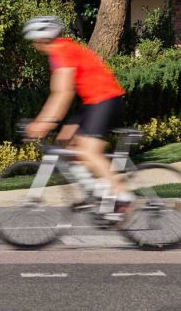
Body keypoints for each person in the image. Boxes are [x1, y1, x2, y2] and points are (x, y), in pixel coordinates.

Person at [23, 15, 132, 211]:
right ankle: (93, 190)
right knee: (64, 141)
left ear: (40, 39)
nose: (33, 45)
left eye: (33, 41)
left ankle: (122, 195)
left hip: (106, 100)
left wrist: (44, 123)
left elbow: (63, 93)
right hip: (93, 102)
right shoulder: (61, 49)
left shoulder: (62, 51)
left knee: (90, 152)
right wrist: (46, 121)